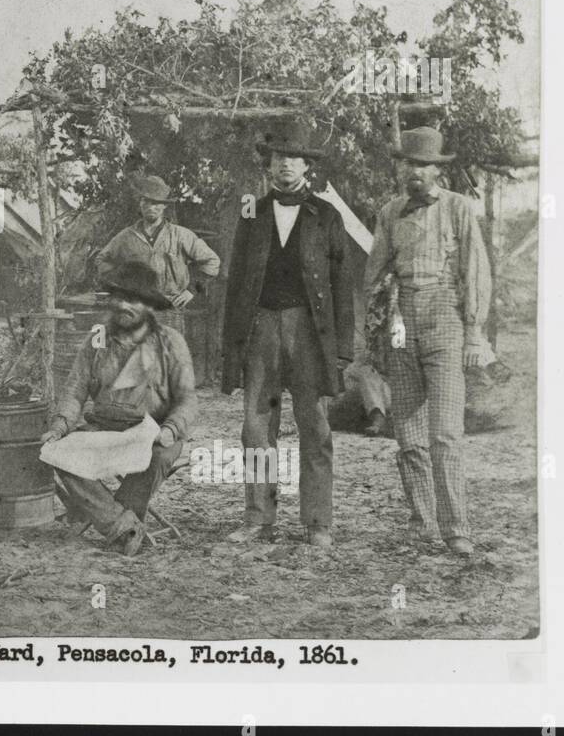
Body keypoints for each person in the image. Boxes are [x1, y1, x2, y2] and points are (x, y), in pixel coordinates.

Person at [221, 122, 353, 548]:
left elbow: (341, 288)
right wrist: (232, 346)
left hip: (311, 333)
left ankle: (318, 523)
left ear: (306, 166)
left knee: (315, 427)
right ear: (269, 165)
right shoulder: (252, 215)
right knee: (256, 430)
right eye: (278, 159)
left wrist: (343, 351)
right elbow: (236, 282)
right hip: (261, 328)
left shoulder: (327, 217)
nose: (285, 167)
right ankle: (259, 518)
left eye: (294, 159)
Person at [362, 126, 493, 557]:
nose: (414, 172)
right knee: (410, 436)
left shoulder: (459, 209)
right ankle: (422, 523)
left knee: (446, 433)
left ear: (437, 170)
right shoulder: (389, 212)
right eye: (408, 163)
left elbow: (475, 272)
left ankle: (457, 527)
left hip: (445, 318)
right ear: (400, 167)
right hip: (402, 321)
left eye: (423, 165)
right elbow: (375, 272)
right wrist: (379, 325)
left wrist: (473, 331)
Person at [39, 262, 198, 557]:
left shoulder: (170, 343)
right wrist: (60, 426)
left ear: (149, 305)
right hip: (104, 428)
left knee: (159, 455)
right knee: (55, 452)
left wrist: (170, 429)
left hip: (152, 431)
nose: (124, 305)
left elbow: (188, 400)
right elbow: (75, 391)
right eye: (119, 297)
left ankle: (111, 519)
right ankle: (122, 525)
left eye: (134, 299)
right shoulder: (97, 339)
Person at [94, 174, 221, 314]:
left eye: (155, 202)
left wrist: (191, 291)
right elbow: (102, 260)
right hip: (137, 311)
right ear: (140, 203)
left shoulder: (181, 235)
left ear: (164, 205)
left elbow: (212, 261)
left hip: (172, 308)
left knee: (171, 336)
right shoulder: (125, 237)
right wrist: (123, 284)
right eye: (145, 201)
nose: (150, 207)